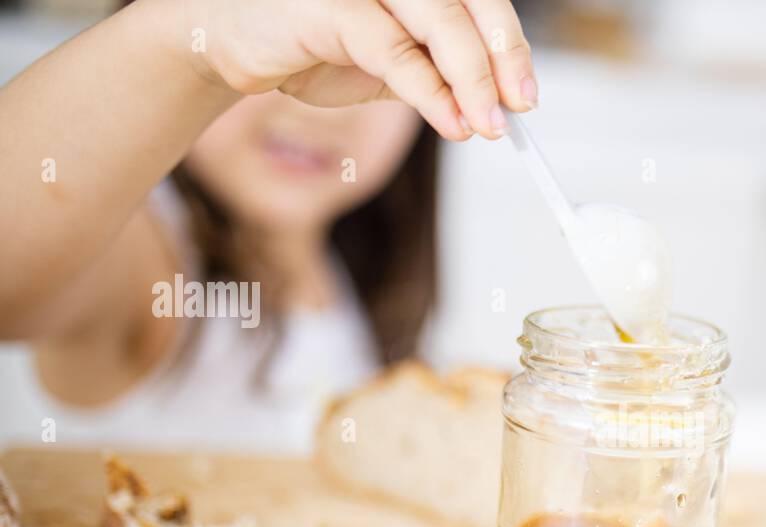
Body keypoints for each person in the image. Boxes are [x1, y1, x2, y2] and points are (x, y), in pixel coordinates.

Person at [0, 0, 536, 451]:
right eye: (289, 45)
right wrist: (194, 41)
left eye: (372, 65)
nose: (320, 112)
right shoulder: (150, 252)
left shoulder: (351, 275)